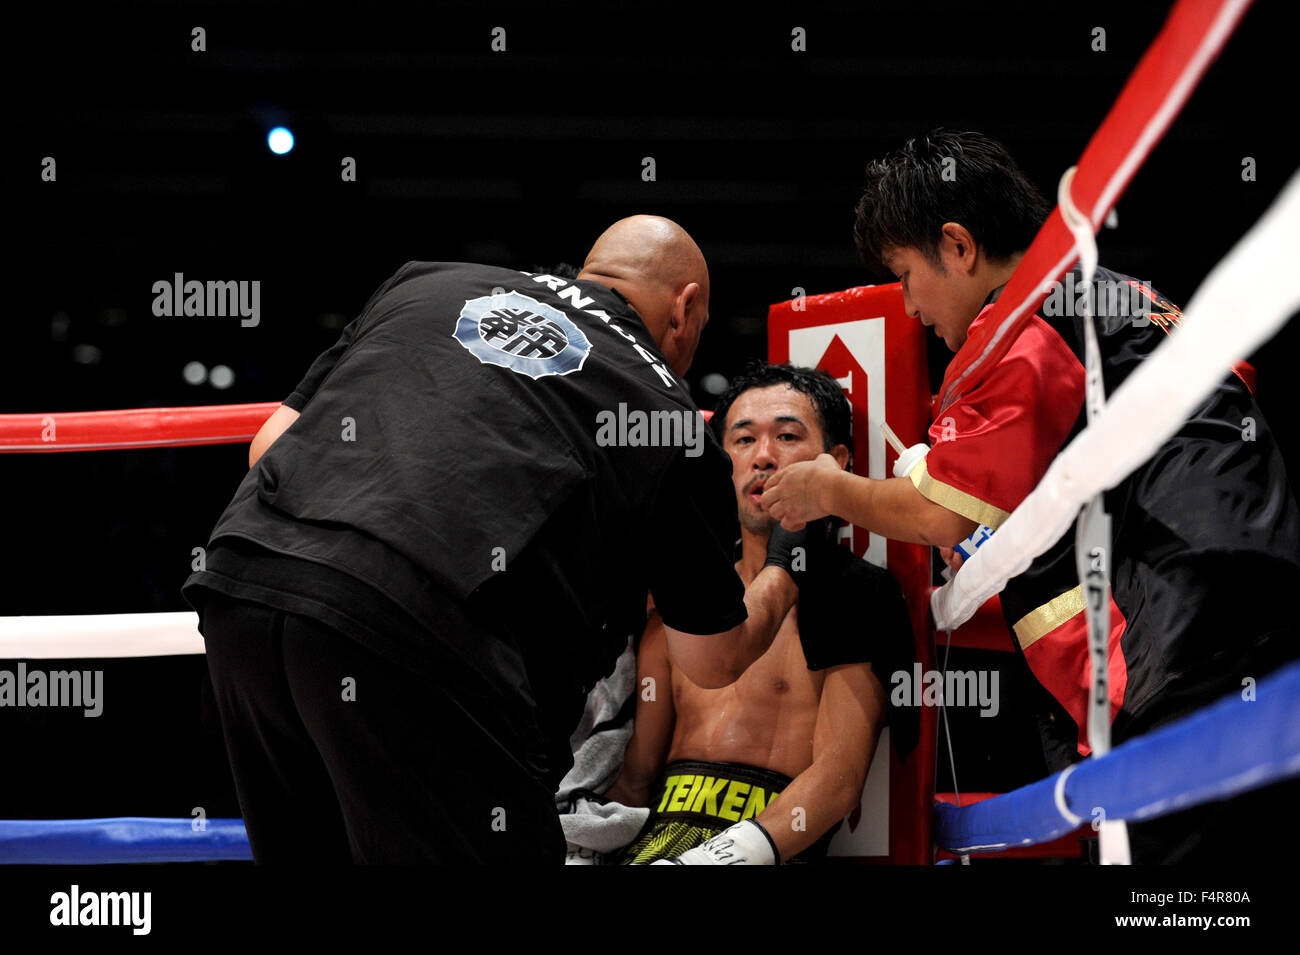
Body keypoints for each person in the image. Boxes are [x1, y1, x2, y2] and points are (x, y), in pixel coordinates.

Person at [183, 215, 820, 864]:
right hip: (416, 635)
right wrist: (791, 559)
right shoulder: (661, 408)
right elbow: (713, 659)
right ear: (685, 308)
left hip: (245, 584)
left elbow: (268, 445)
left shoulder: (428, 283)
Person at [760, 130, 1300, 862]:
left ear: (957, 246)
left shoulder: (1021, 321)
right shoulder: (1125, 296)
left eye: (906, 273)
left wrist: (829, 487)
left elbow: (939, 510)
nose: (910, 307)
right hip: (1260, 595)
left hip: (1175, 631)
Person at [600, 364, 915, 864]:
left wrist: (720, 859)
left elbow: (837, 781)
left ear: (835, 461)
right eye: (743, 440)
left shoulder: (856, 594)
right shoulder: (682, 598)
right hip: (653, 844)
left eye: (787, 436)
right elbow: (637, 777)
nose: (763, 457)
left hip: (769, 848)